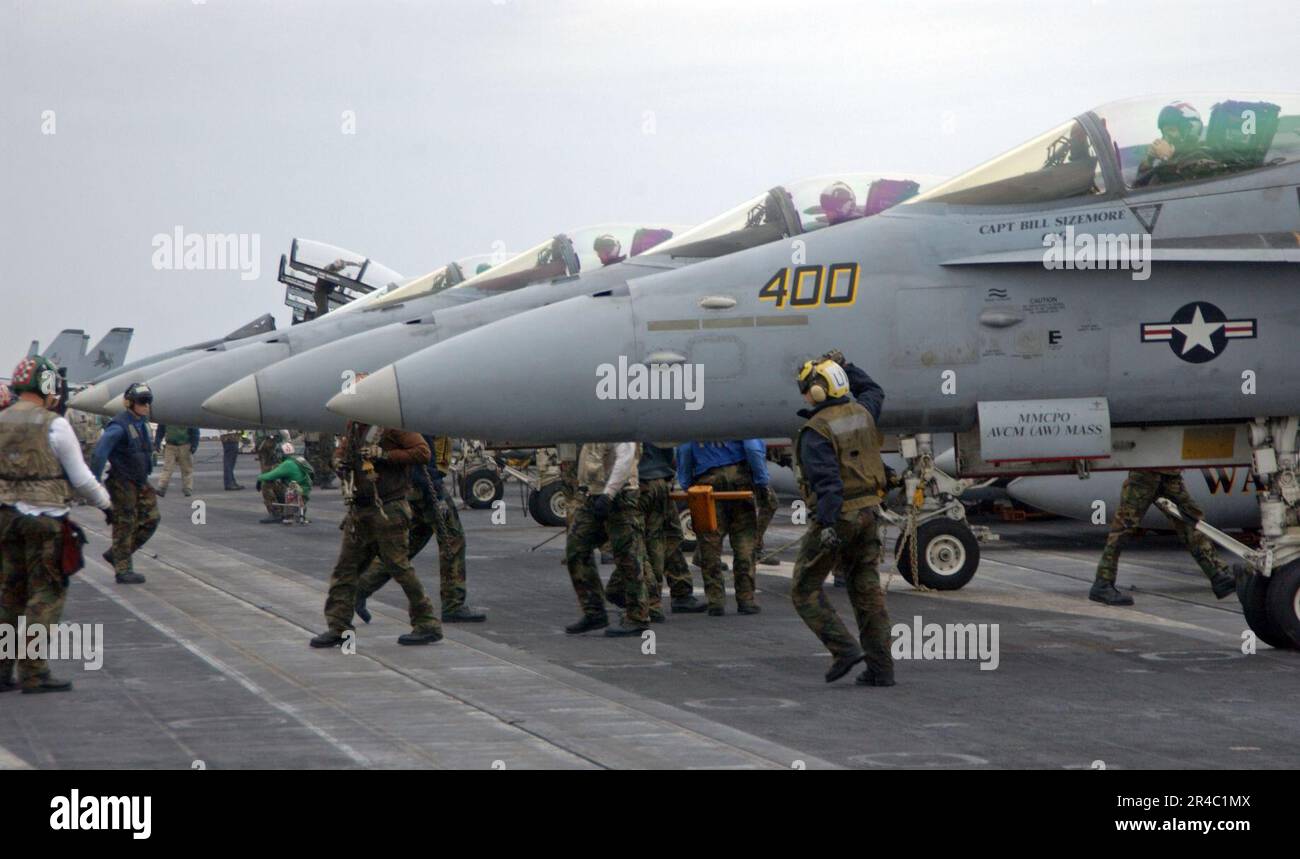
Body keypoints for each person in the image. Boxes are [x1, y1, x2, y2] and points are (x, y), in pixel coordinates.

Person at [0, 356, 113, 693]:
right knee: (45, 595)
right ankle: (33, 673)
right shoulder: (54, 424)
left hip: (4, 519)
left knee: (8, 596)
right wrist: (107, 505)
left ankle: (1, 672)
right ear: (48, 386)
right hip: (45, 519)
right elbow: (81, 478)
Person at [788, 350, 895, 686]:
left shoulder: (816, 430)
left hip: (840, 518)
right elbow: (874, 390)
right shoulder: (863, 413)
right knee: (866, 593)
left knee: (804, 590)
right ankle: (881, 671)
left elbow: (829, 486)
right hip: (870, 513)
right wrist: (848, 366)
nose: (805, 393)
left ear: (819, 391)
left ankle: (844, 649)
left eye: (807, 387)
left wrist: (828, 526)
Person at [310, 420, 442, 648]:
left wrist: (384, 454)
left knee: (398, 566)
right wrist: (338, 461)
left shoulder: (389, 422)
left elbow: (422, 452)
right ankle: (338, 626)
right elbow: (341, 451)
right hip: (361, 510)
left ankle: (427, 622)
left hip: (388, 508)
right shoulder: (355, 426)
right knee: (346, 569)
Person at [354, 434, 486, 624]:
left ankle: (359, 590)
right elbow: (420, 455)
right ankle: (453, 605)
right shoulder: (420, 418)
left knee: (406, 546)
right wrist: (435, 490)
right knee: (453, 540)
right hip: (425, 485)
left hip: (414, 485)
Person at [1090, 469, 1236, 606]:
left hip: (1167, 472)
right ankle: (1103, 583)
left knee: (1191, 521)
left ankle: (1217, 575)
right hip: (1147, 472)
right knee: (1124, 528)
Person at [563, 442, 651, 637]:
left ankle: (638, 617)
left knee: (628, 555)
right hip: (593, 494)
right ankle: (594, 612)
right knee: (576, 550)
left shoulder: (615, 423)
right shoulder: (593, 426)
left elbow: (625, 458)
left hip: (620, 494)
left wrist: (609, 494)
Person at [676, 439, 768, 615]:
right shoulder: (736, 416)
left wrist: (687, 484)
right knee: (745, 544)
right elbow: (752, 448)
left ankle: (715, 601)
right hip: (740, 484)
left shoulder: (694, 418)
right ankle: (746, 599)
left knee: (710, 544)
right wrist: (761, 481)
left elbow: (685, 450)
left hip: (707, 484)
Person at [90, 382, 159, 584]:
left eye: (148, 402)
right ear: (129, 403)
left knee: (152, 519)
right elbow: (100, 452)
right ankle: (123, 569)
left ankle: (117, 554)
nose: (146, 406)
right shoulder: (119, 426)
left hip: (139, 480)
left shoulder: (142, 423)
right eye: (142, 402)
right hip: (123, 482)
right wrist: (94, 482)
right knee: (124, 524)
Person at [638, 444, 706, 613]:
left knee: (668, 536)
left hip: (652, 480)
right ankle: (654, 599)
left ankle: (678, 592)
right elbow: (669, 446)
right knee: (659, 539)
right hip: (653, 480)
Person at [1133, 101, 1221, 187]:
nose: (1167, 137)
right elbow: (1138, 186)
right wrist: (1149, 161)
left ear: (1191, 131)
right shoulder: (1175, 159)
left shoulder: (1201, 159)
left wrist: (1166, 159)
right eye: (1165, 132)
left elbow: (1182, 189)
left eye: (1172, 130)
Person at [256, 442, 314, 524]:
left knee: (266, 483)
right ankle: (292, 510)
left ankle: (276, 513)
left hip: (295, 494)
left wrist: (259, 478)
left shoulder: (287, 464)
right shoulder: (299, 459)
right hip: (303, 494)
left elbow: (269, 476)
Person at [153, 423, 199, 497]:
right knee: (167, 468)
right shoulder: (166, 416)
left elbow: (194, 430)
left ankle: (187, 488)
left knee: (186, 469)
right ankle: (162, 487)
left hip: (184, 445)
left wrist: (194, 445)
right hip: (171, 445)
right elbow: (160, 429)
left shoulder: (186, 416)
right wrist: (157, 442)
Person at [254, 430, 287, 523]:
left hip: (272, 467)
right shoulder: (275, 437)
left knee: (267, 488)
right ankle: (283, 511)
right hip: (274, 467)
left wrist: (263, 477)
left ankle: (276, 513)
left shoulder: (268, 440)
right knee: (278, 488)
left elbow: (265, 450)